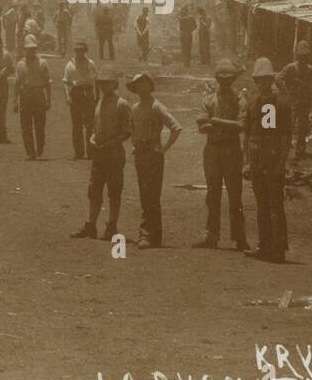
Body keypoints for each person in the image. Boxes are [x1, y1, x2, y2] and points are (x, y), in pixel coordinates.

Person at [192, 60, 248, 250]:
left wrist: (215, 121)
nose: (225, 82)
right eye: (221, 79)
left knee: (235, 195)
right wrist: (221, 124)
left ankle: (240, 237)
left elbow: (241, 125)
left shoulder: (239, 99)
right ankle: (211, 235)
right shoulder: (209, 99)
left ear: (233, 79)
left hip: (232, 149)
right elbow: (201, 124)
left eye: (228, 79)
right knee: (212, 194)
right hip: (213, 150)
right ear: (216, 79)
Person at [71, 65, 131, 239]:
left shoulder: (121, 104)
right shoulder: (100, 102)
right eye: (101, 83)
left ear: (114, 84)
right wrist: (91, 139)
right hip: (99, 154)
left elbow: (127, 131)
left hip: (114, 154)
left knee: (114, 191)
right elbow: (95, 128)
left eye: (107, 83)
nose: (104, 87)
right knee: (94, 190)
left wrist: (111, 143)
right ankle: (90, 225)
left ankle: (111, 226)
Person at [241, 58, 290, 263]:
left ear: (272, 80)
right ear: (255, 81)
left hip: (273, 160)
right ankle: (264, 245)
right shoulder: (253, 103)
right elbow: (248, 133)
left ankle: (278, 248)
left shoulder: (281, 104)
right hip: (257, 158)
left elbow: (286, 137)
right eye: (259, 80)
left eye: (266, 79)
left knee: (275, 205)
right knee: (261, 204)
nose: (263, 83)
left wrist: (281, 163)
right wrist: (248, 162)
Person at [127, 73, 182, 249]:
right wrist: (135, 145)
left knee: (152, 194)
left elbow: (176, 127)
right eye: (137, 85)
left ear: (150, 86)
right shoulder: (135, 108)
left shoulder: (157, 106)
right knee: (144, 194)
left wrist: (164, 148)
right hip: (141, 153)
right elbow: (132, 130)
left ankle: (149, 234)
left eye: (144, 84)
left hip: (153, 152)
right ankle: (150, 234)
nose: (141, 88)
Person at [276, 40, 312, 159]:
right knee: (289, 126)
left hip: (304, 102)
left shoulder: (310, 69)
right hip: (293, 102)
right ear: (298, 56)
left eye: (306, 56)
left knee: (303, 127)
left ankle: (300, 151)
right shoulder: (291, 67)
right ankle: (284, 151)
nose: (304, 58)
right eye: (301, 56)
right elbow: (278, 79)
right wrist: (286, 92)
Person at [13, 34, 52, 159]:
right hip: (25, 96)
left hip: (38, 94)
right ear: (25, 50)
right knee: (26, 125)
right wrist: (15, 101)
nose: (31, 51)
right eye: (29, 49)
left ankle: (40, 147)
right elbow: (17, 84)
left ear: (36, 49)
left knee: (40, 124)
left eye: (33, 49)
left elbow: (47, 83)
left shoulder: (42, 63)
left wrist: (48, 99)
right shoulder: (20, 64)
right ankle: (30, 151)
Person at [63, 40, 97, 160]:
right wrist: (67, 96)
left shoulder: (91, 63)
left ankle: (91, 151)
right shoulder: (70, 65)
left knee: (90, 124)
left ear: (85, 51)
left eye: (81, 50)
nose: (79, 53)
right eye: (77, 50)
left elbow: (95, 81)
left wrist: (96, 97)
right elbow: (66, 82)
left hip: (88, 93)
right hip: (76, 94)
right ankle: (79, 152)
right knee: (76, 124)